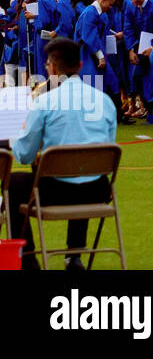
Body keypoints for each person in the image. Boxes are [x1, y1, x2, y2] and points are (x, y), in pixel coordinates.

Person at [6, 38, 117, 270]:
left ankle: (27, 259)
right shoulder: (104, 101)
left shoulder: (45, 102)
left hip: (56, 191)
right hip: (97, 190)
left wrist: (15, 136)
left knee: (15, 182)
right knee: (84, 167)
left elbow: (24, 156)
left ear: (53, 68)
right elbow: (107, 145)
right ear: (79, 64)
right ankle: (74, 254)